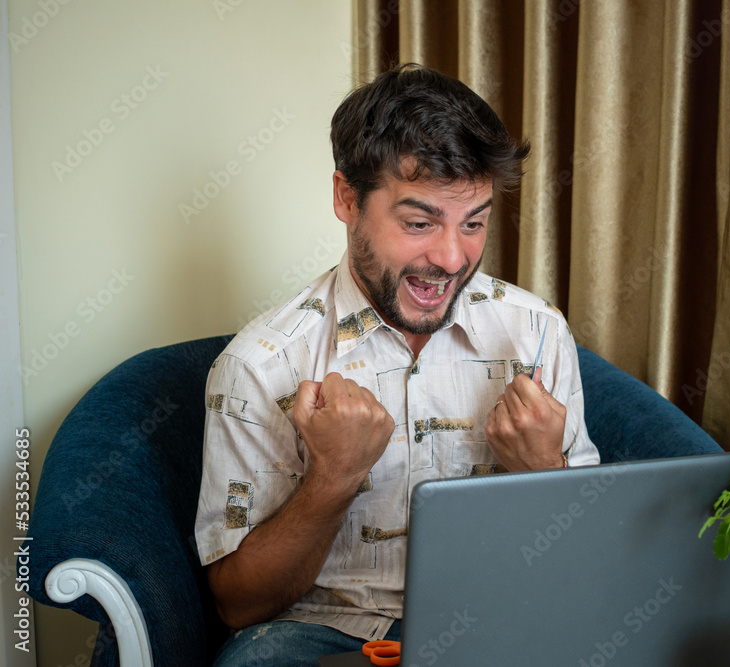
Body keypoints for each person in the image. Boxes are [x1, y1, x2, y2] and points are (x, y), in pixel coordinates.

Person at [194, 63, 600, 665]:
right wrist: (334, 476)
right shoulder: (258, 366)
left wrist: (545, 470)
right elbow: (239, 606)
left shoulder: (537, 333)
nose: (452, 258)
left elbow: (588, 567)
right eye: (419, 223)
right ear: (347, 199)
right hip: (328, 632)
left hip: (498, 620)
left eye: (474, 222)